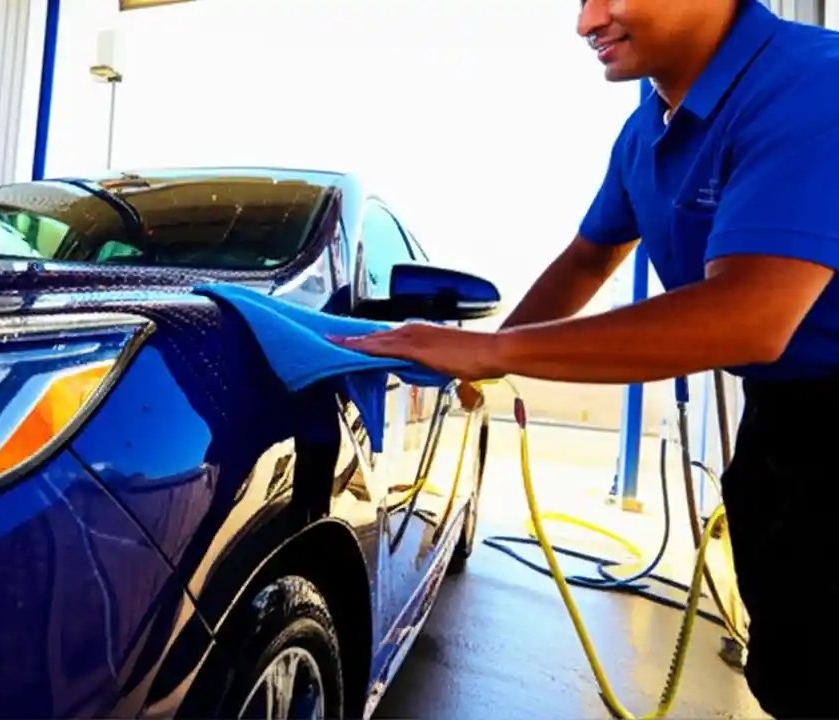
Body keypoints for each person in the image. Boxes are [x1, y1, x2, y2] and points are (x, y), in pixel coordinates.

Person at [334, 0, 839, 716]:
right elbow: (586, 258)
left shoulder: (815, 86)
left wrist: (497, 347)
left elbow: (750, 316)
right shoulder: (645, 135)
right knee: (793, 665)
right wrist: (484, 361)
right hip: (782, 420)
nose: (585, 22)